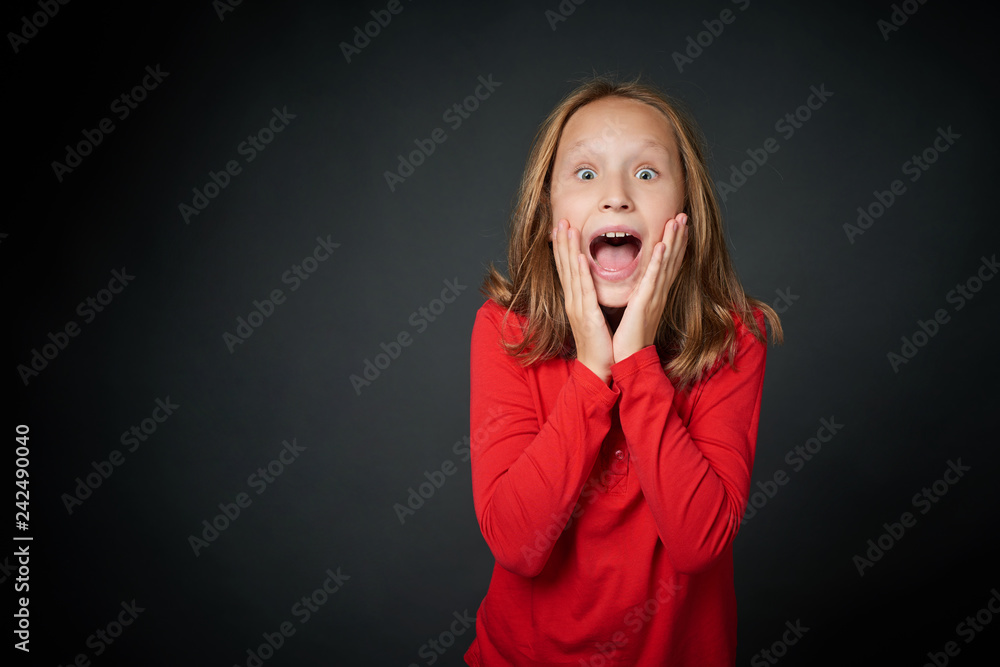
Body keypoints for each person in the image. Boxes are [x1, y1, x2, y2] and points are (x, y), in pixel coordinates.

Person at [464, 75, 784, 666]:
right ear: (548, 207)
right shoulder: (506, 331)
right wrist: (591, 371)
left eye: (646, 173)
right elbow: (517, 545)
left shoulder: (733, 341)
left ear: (686, 207)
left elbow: (699, 544)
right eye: (586, 174)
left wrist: (637, 363)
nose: (616, 197)